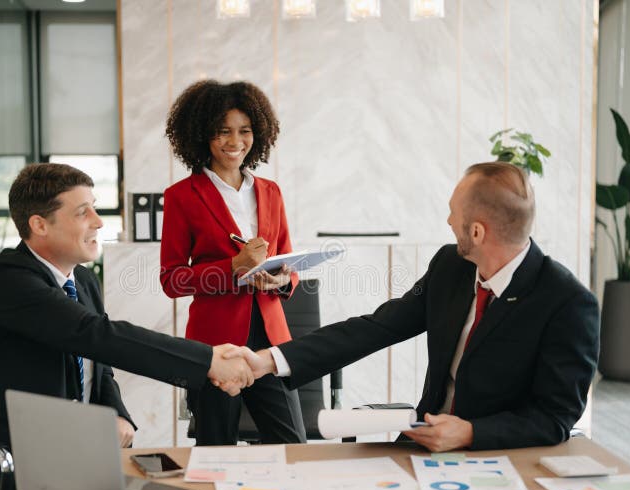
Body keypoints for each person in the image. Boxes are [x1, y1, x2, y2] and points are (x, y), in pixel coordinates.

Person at [0, 162, 255, 490]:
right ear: (40, 225)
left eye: (95, 208)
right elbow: (94, 335)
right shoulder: (6, 279)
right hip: (6, 469)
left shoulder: (82, 280)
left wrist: (116, 413)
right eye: (82, 212)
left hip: (68, 456)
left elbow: (99, 360)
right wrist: (209, 360)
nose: (99, 222)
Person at [243, 162, 600, 452]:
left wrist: (471, 433)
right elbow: (375, 328)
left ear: (477, 232)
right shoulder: (451, 267)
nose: (447, 222)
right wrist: (268, 360)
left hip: (502, 456)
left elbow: (555, 418)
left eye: (452, 214)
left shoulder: (567, 303)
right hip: (421, 447)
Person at [160, 80, 306, 446]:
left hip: (272, 343)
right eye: (222, 131)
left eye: (244, 131)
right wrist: (233, 268)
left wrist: (281, 281)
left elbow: (289, 267)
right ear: (201, 136)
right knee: (216, 449)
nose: (235, 141)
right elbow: (172, 280)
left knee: (292, 447)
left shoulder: (271, 192)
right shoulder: (182, 197)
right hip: (215, 346)